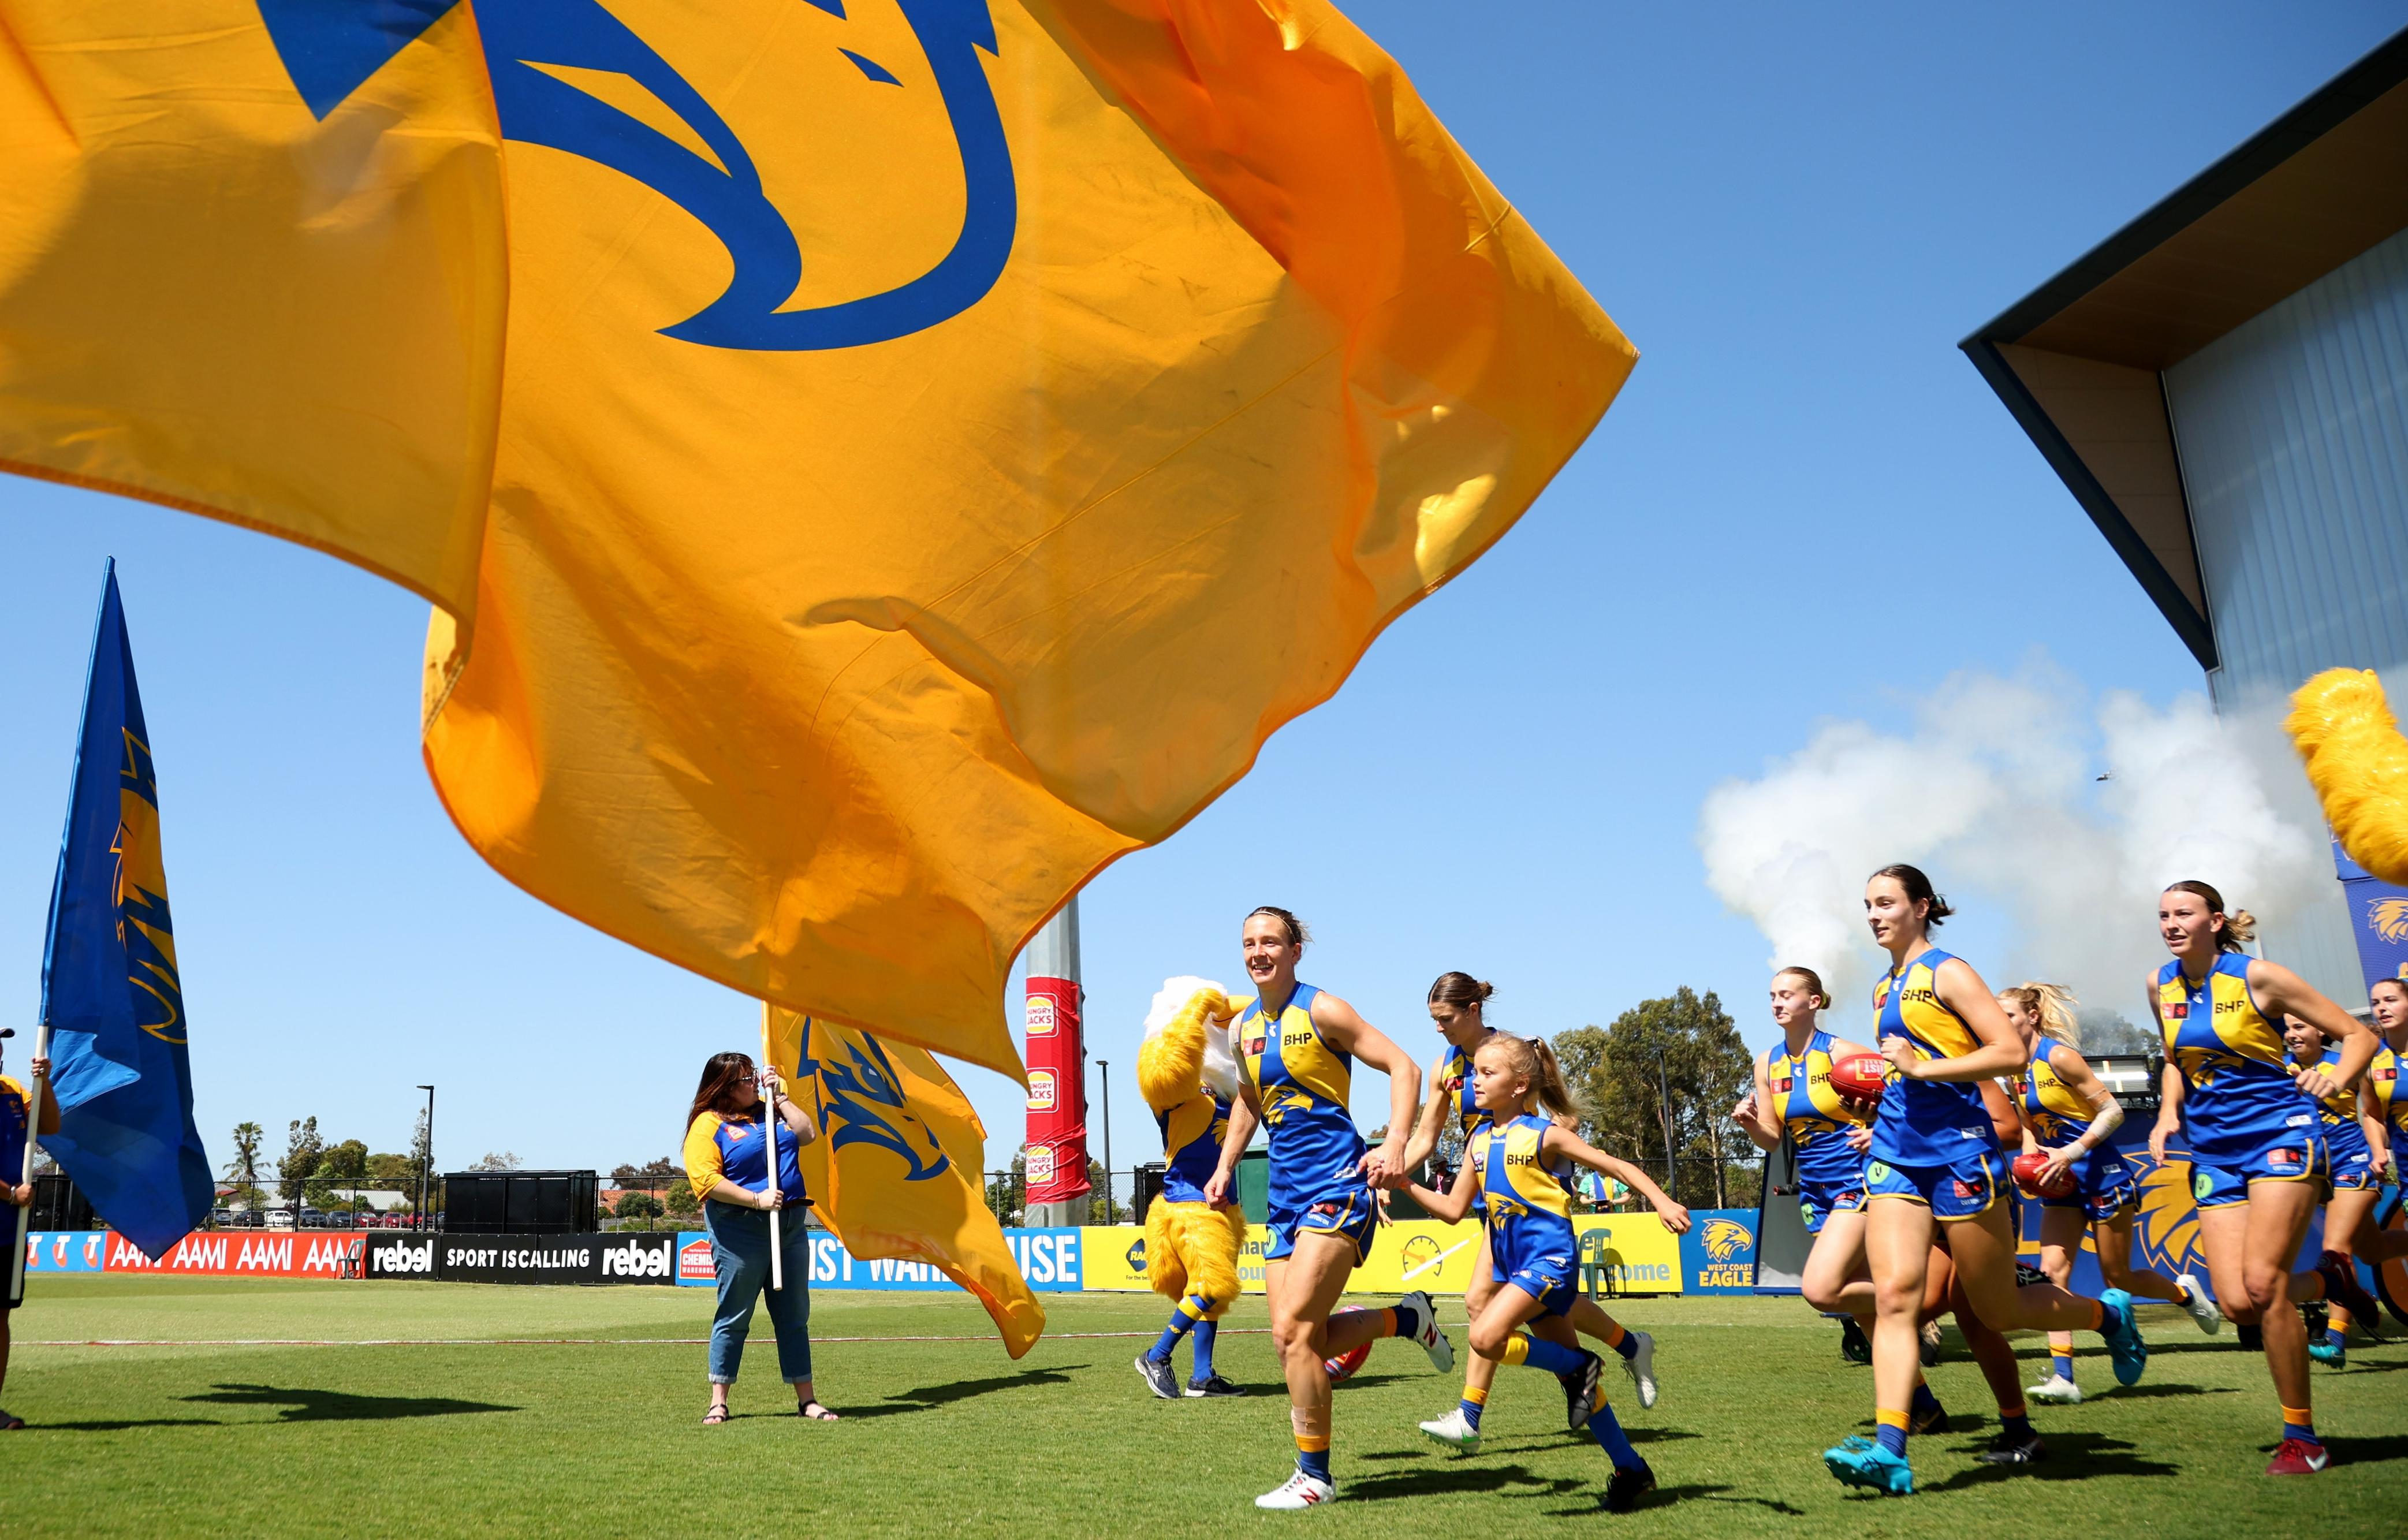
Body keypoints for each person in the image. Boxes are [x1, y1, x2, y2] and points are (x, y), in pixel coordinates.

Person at [1822, 865, 2148, 1497]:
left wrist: (1922, 1068)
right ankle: (1892, 1449)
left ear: (1922, 907)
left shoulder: (1948, 971)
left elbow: (2010, 1053)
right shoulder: (1883, 988)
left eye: (1886, 902)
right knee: (1896, 1300)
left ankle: (2106, 1317)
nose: (1873, 914)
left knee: (1996, 1309)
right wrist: (1883, 1093)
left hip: (1962, 1156)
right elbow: (1904, 1074)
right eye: (1867, 905)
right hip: (1895, 1154)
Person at [1203, 907, 1450, 1511]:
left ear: (1295, 951)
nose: (1258, 952)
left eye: (1270, 942)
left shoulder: (1323, 1011)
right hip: (1283, 1198)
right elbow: (1248, 1104)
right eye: (1248, 943)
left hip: (1339, 1184)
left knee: (1295, 1332)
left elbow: (1405, 1067)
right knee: (1291, 1343)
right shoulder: (1241, 1030)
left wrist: (1394, 1141)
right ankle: (1407, 1320)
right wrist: (1225, 1166)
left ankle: (1315, 1477)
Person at [2146, 881, 2379, 1476]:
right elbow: (2176, 1061)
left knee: (2263, 1283)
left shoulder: (2260, 978)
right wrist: (2170, 1111)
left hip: (2281, 1136)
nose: (2172, 924)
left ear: (2216, 921)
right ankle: (2330, 1276)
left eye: (2184, 914)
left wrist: (2335, 1079)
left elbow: (2360, 1036)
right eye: (2164, 916)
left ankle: (2303, 1437)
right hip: (2212, 1151)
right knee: (2237, 1304)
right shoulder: (2160, 984)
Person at [1401, 1034, 1690, 1513]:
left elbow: (1614, 1165)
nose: (1475, 1079)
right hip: (1518, 1265)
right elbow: (1453, 1209)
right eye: (1475, 1072)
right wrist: (1403, 1182)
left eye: (1487, 1073)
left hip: (1549, 1262)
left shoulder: (1546, 1134)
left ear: (1519, 1085)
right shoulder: (1478, 1140)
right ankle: (1631, 1468)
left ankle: (1578, 1367)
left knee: (1486, 1336)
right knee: (1576, 1383)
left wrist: (1661, 1199)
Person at [1397, 972, 1660, 1456]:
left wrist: (1561, 1139)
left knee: (1488, 1305)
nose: (1439, 1029)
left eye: (1446, 1018)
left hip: (1530, 1205)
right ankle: (1622, 1367)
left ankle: (1472, 1415)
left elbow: (1549, 1121)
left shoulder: (1511, 1056)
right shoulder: (1447, 1067)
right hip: (1486, 1203)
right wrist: (1394, 1170)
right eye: (1433, 1020)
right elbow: (1424, 1137)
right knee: (1553, 1319)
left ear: (1474, 1009)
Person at [2005, 982, 2218, 1406]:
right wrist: (2030, 1162)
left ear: (2031, 1016)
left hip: (2101, 1173)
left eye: (2007, 1015)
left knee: (2118, 1276)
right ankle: (2064, 1376)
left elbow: (2113, 1111)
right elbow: (2028, 1123)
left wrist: (2070, 1151)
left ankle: (2185, 1294)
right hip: (2059, 1180)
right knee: (2052, 1275)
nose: (2000, 1023)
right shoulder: (2013, 1069)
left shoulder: (2059, 1055)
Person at [682, 1050, 828, 1424]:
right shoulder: (708, 1124)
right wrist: (756, 1199)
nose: (754, 1082)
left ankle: (807, 1400)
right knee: (734, 1314)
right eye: (746, 1079)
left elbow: (808, 1133)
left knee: (795, 1315)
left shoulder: (770, 1109)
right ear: (724, 1086)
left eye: (753, 1076)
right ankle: (719, 1400)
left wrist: (779, 1097)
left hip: (790, 1225)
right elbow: (707, 1181)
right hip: (739, 1230)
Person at [1132, 976, 1249, 1398]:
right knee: (1212, 1283)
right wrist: (1200, 1006)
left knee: (1209, 1294)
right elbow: (1164, 1066)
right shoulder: (1174, 1089)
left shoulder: (1228, 1090)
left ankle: (1203, 1376)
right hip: (1189, 1203)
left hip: (1220, 1201)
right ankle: (1157, 1354)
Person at [2280, 1015, 2386, 1367]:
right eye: (2288, 1028)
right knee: (2372, 1250)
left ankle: (2335, 1340)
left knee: (2335, 1252)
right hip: (2317, 1172)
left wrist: (2380, 1152)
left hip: (2355, 1164)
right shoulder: (2279, 1068)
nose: (2291, 1034)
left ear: (2321, 1031)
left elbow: (2373, 1112)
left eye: (2299, 1027)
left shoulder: (2348, 1062)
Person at [0, 1047, 60, 1431]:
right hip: (10, 1205)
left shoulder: (13, 1090)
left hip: (8, 1230)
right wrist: (9, 1193)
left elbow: (50, 1124)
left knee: (0, 1317)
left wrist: (44, 1082)